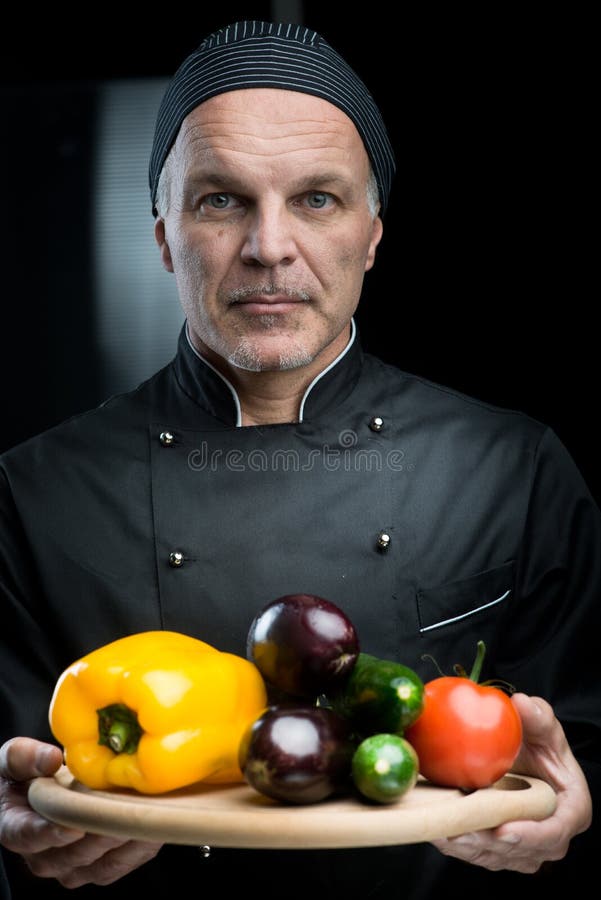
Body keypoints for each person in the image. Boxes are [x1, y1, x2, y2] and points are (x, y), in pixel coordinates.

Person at [0, 19, 598, 900]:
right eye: (219, 200)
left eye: (316, 198)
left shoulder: (513, 468)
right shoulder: (34, 492)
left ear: (372, 235)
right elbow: (12, 769)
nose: (269, 247)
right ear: (163, 235)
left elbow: (581, 731)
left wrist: (579, 803)